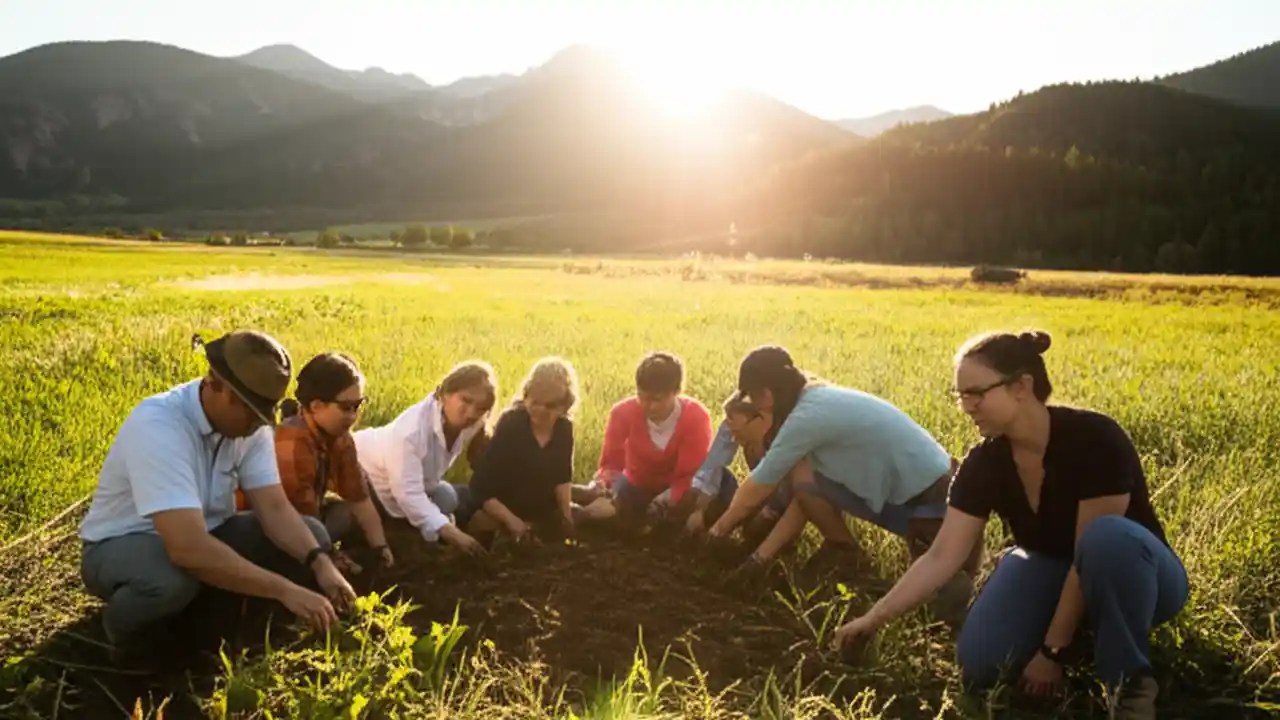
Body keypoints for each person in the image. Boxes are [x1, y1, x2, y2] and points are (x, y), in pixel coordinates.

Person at [832, 331, 1187, 719]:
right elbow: (941, 555)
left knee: (1106, 538)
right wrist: (873, 619)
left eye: (976, 393)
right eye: (960, 396)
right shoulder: (984, 462)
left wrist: (1053, 652)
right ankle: (1081, 633)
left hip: (1141, 577)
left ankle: (1128, 685)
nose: (967, 407)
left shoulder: (1095, 439)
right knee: (981, 661)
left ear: (1021, 386)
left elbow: (1090, 553)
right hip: (1052, 570)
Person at [78, 331, 356, 668]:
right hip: (124, 544)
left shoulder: (250, 428)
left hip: (206, 534)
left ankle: (213, 623)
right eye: (250, 409)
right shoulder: (160, 426)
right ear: (215, 383)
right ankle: (120, 634)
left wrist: (321, 563)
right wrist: (284, 589)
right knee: (169, 581)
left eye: (263, 413)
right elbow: (187, 548)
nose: (258, 422)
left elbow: (274, 508)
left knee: (313, 534)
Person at [708, 345, 979, 611]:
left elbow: (759, 484)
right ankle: (843, 550)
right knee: (805, 474)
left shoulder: (806, 417)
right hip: (912, 491)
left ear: (765, 395)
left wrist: (716, 533)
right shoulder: (814, 395)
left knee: (940, 597)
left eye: (752, 397)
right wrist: (759, 559)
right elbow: (803, 494)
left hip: (935, 499)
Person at [353, 361, 496, 556]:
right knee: (437, 508)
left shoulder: (472, 424)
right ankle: (394, 531)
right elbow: (407, 493)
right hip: (369, 479)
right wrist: (453, 534)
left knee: (448, 498)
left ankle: (422, 529)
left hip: (415, 485)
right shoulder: (411, 432)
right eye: (466, 400)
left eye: (480, 407)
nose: (471, 413)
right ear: (445, 394)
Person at [273, 353, 393, 575]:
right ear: (317, 405)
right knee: (315, 529)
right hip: (280, 527)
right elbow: (301, 516)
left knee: (348, 511)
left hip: (310, 518)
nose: (353, 416)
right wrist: (329, 558)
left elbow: (358, 496)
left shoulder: (340, 438)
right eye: (346, 407)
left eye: (358, 405)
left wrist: (380, 546)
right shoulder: (292, 443)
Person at [582, 352, 713, 528]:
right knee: (607, 509)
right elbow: (611, 464)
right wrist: (610, 493)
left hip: (678, 490)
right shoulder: (622, 413)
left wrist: (663, 502)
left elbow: (690, 474)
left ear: (676, 392)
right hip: (634, 486)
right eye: (642, 397)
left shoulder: (696, 416)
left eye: (657, 399)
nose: (648, 406)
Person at [457, 357, 579, 544]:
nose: (540, 410)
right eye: (535, 402)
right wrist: (513, 522)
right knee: (481, 523)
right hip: (503, 504)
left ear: (565, 405)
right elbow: (481, 487)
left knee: (592, 514)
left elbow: (562, 477)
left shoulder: (564, 428)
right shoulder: (512, 424)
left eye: (550, 405)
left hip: (541, 505)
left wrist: (566, 516)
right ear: (526, 396)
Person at [683, 394, 805, 569]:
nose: (732, 433)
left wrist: (768, 511)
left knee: (756, 529)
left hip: (783, 498)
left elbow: (789, 487)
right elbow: (713, 465)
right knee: (707, 487)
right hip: (758, 490)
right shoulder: (733, 425)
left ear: (760, 420)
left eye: (737, 430)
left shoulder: (783, 440)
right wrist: (699, 509)